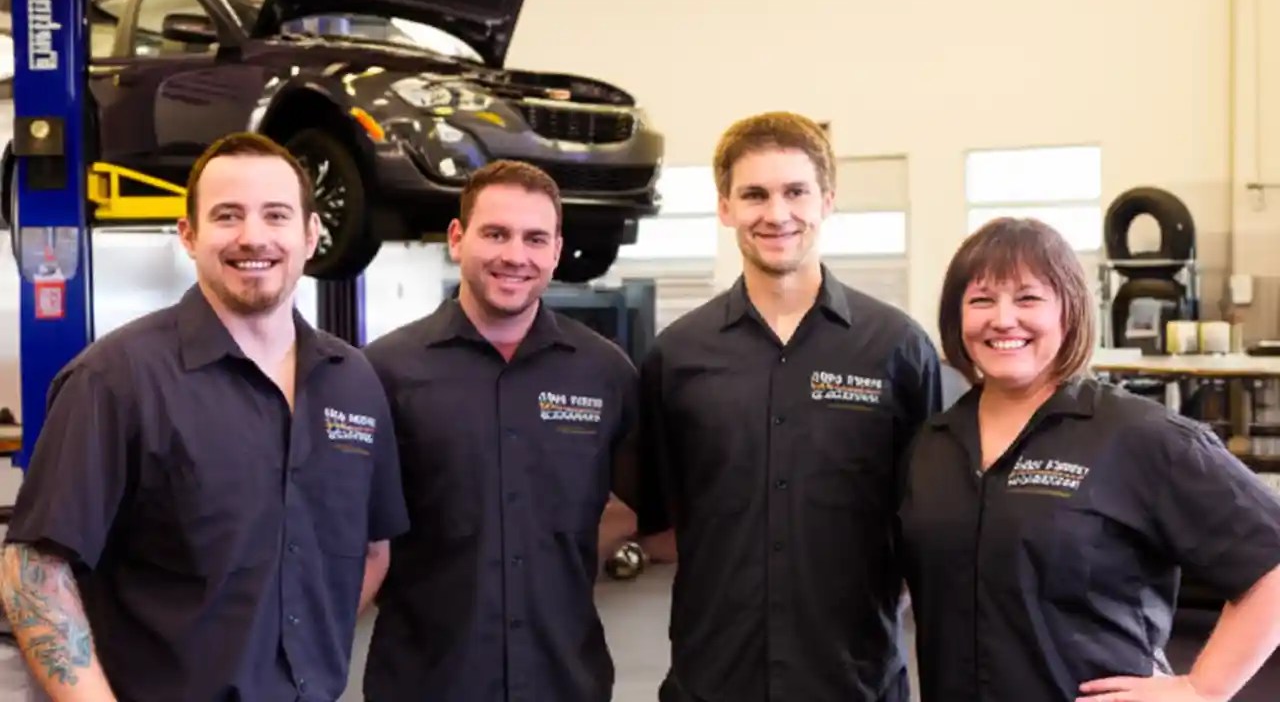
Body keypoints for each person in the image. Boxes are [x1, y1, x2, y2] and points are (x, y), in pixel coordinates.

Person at [0, 132, 410, 702]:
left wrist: (299, 660)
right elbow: (34, 568)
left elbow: (370, 549)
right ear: (188, 235)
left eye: (276, 215)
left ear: (311, 234)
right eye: (227, 216)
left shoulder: (354, 381)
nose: (253, 237)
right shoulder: (116, 380)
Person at [898, 216, 1280, 702]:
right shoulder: (933, 444)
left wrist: (1202, 688)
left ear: (1070, 311)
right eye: (981, 300)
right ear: (957, 319)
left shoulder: (1137, 435)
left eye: (1028, 298)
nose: (1002, 318)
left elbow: (1273, 561)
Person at [635, 111, 944, 702]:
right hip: (714, 678)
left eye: (795, 191)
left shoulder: (897, 348)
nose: (776, 214)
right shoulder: (677, 356)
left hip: (854, 679)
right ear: (725, 207)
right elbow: (660, 523)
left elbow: (923, 514)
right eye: (754, 194)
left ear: (827, 201)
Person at [360, 159, 640, 702]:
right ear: (458, 238)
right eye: (495, 233)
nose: (515, 255)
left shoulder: (604, 372)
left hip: (565, 681)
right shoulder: (384, 372)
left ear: (556, 251)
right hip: (425, 684)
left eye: (535, 238)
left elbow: (643, 509)